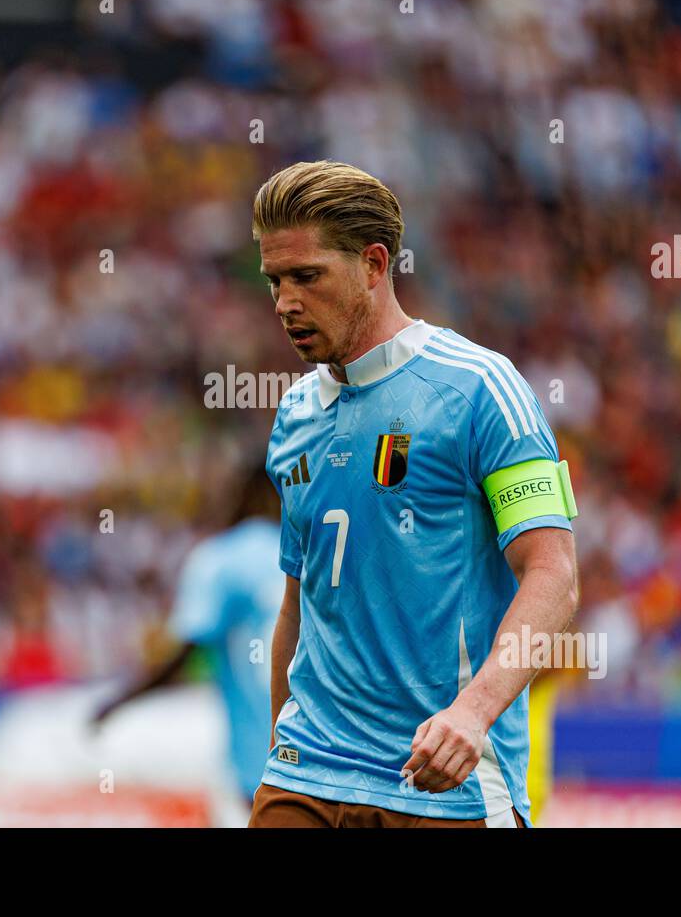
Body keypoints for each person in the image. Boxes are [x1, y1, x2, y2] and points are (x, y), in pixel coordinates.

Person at [247, 160, 580, 828]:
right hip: (305, 776)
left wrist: (474, 713)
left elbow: (554, 575)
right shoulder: (294, 415)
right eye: (275, 280)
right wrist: (280, 746)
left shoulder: (482, 389)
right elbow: (297, 602)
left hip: (438, 782)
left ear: (374, 264)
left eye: (307, 276)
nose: (285, 302)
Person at [92, 461, 284, 807]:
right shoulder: (314, 554)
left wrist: (120, 700)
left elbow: (184, 653)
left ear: (246, 492)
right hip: (321, 766)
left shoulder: (222, 559)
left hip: (260, 768)